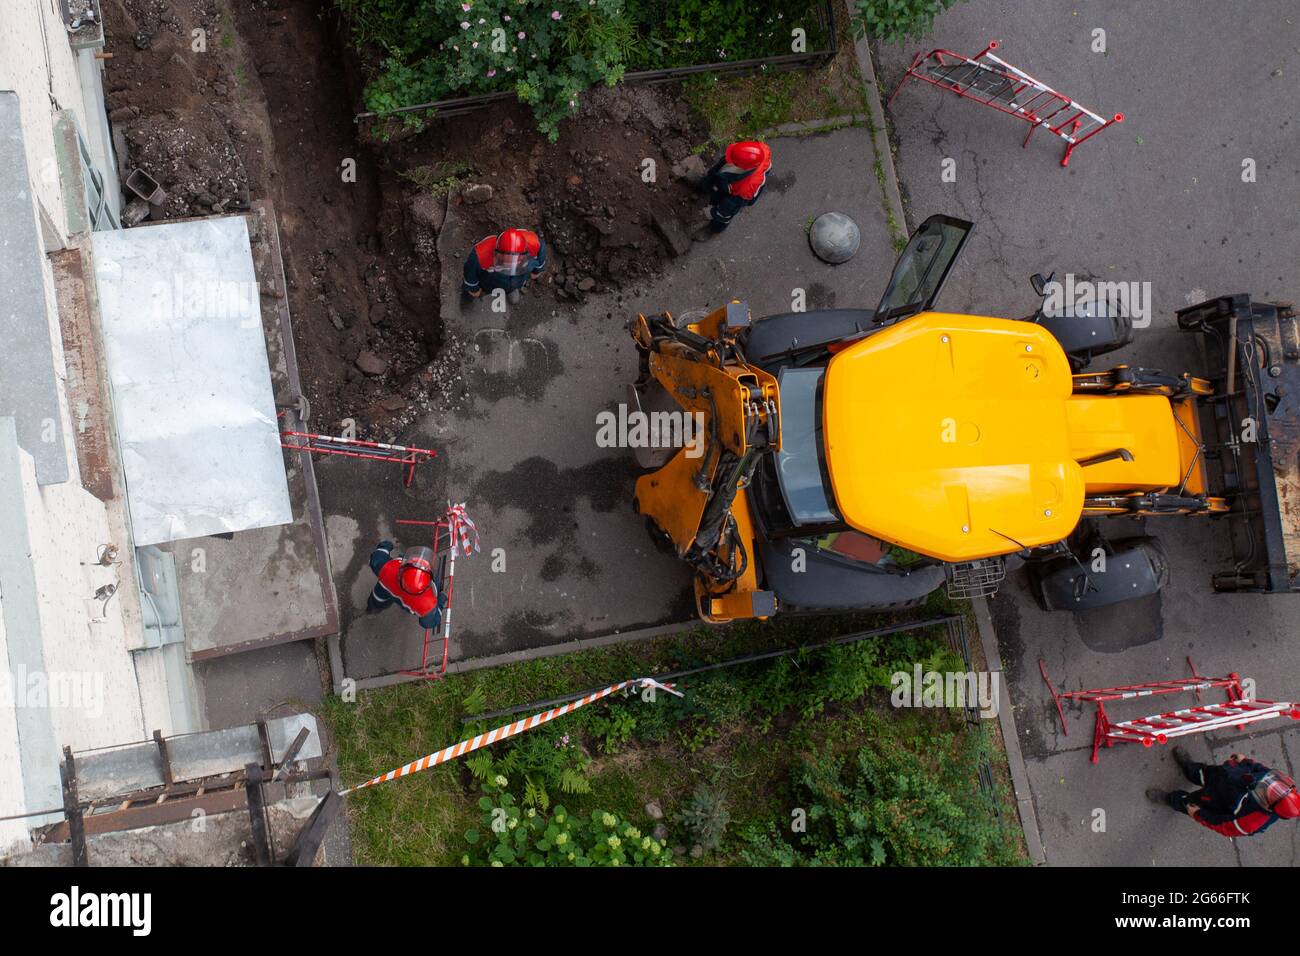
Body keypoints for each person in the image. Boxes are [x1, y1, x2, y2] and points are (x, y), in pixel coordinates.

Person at [1147, 747, 1300, 837]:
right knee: (1203, 772)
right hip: (1225, 776)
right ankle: (1189, 767)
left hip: (1216, 800)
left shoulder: (1253, 822)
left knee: (1189, 804)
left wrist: (1199, 815)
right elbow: (1264, 771)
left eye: (1269, 790)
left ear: (1270, 807)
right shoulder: (1278, 785)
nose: (1269, 785)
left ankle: (1170, 799)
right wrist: (1246, 761)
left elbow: (1224, 826)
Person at [366, 540, 446, 631]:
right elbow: (429, 623)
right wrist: (441, 600)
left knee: (376, 602)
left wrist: (386, 545)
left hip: (384, 589)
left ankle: (371, 612)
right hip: (408, 603)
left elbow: (377, 557)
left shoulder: (388, 568)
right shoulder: (426, 603)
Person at [698, 140, 773, 235]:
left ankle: (715, 228)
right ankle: (704, 184)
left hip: (736, 194)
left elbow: (731, 204)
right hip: (732, 174)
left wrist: (717, 211)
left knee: (725, 212)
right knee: (717, 173)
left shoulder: (746, 189)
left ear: (742, 167)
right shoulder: (761, 148)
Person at [461, 228, 547, 302]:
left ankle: (511, 289)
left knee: (513, 284)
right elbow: (470, 273)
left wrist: (537, 270)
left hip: (519, 279)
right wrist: (473, 289)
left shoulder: (534, 243)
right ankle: (488, 291)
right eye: (506, 263)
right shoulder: (481, 254)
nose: (510, 269)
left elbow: (541, 251)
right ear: (497, 253)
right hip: (492, 280)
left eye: (516, 263)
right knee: (486, 288)